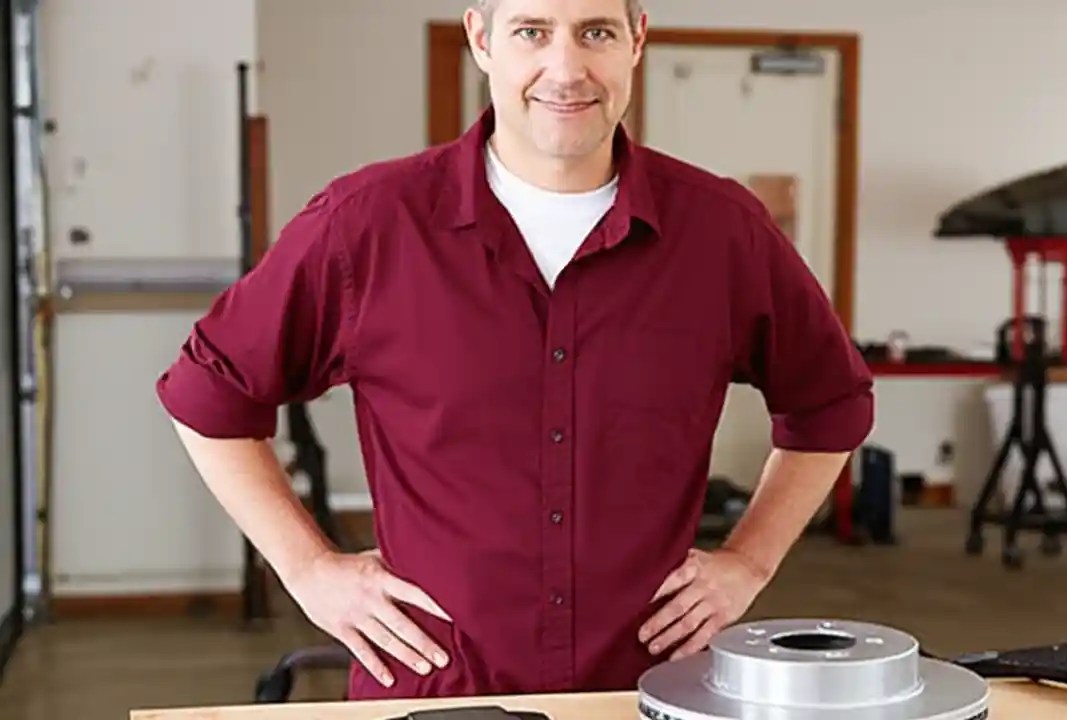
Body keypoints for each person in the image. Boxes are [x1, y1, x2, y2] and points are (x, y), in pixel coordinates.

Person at [155, 0, 874, 702]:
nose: (566, 69)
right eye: (532, 31)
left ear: (636, 39)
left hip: (645, 686)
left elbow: (832, 405)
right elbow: (208, 395)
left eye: (595, 32)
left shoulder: (722, 234)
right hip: (437, 690)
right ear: (482, 39)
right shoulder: (366, 227)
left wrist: (748, 561)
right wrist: (308, 568)